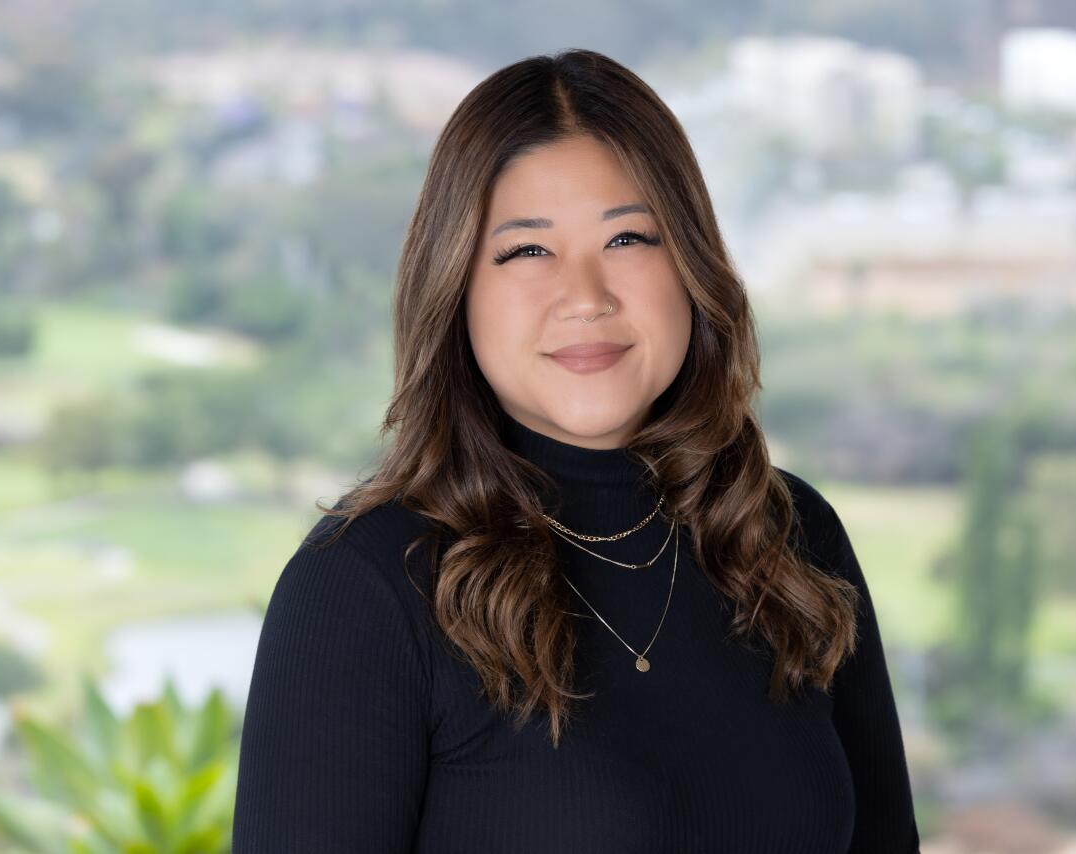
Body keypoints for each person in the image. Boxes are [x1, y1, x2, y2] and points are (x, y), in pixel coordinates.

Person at [231, 48, 920, 853]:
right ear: (455, 289)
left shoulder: (788, 537)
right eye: (528, 251)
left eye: (628, 239)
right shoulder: (363, 590)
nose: (587, 297)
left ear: (691, 267)